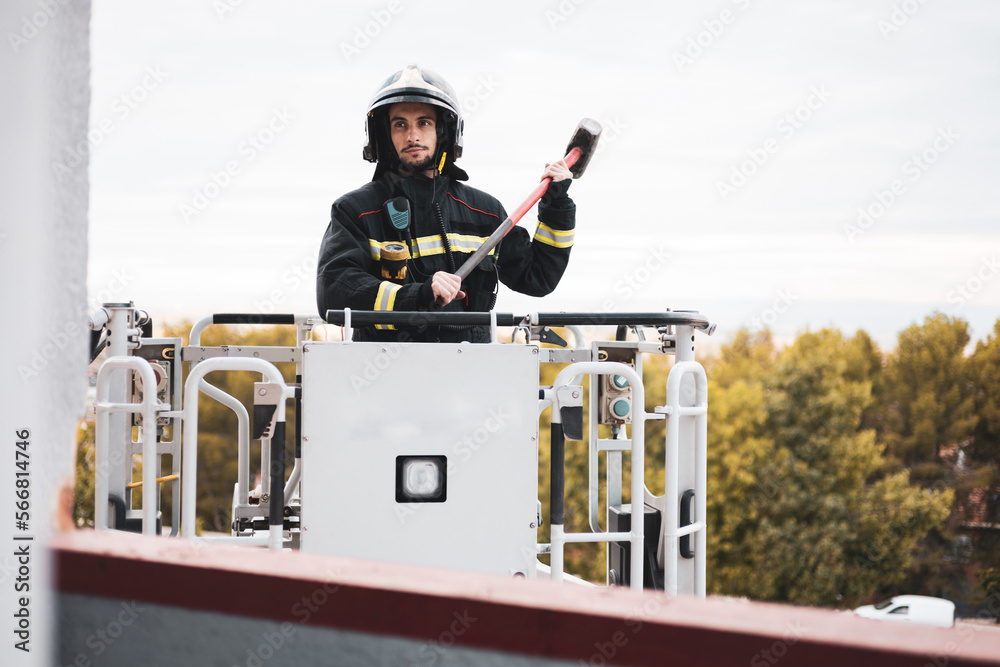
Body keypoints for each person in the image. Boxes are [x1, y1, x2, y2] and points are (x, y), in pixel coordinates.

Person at [316, 65, 576, 343]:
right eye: (400, 124)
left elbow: (538, 278)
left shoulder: (484, 211)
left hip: (471, 371)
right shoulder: (356, 210)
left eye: (424, 123)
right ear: (383, 134)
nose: (412, 136)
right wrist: (418, 294)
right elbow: (333, 290)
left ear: (445, 131)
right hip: (384, 374)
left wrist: (556, 205)